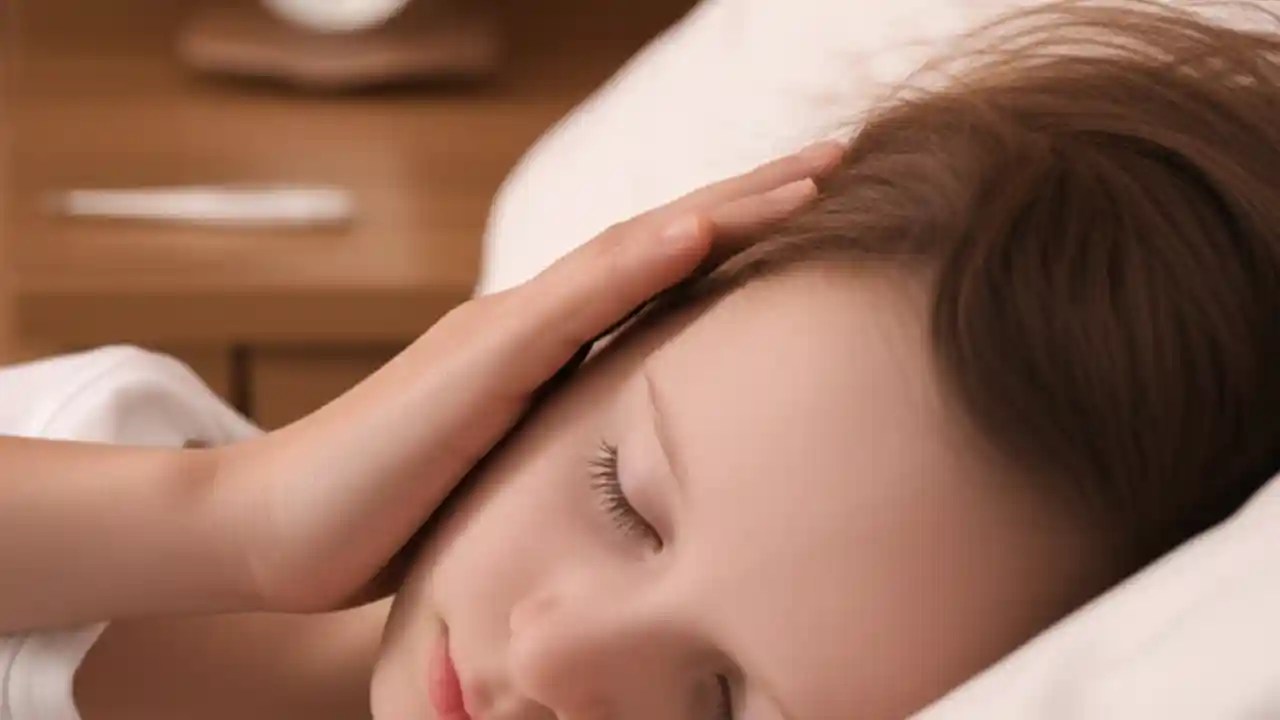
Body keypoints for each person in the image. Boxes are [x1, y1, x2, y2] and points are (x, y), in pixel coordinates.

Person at [9, 2, 1280, 719]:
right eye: (625, 499)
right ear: (586, 341)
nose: (560, 656)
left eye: (720, 708)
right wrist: (237, 522)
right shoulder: (86, 471)